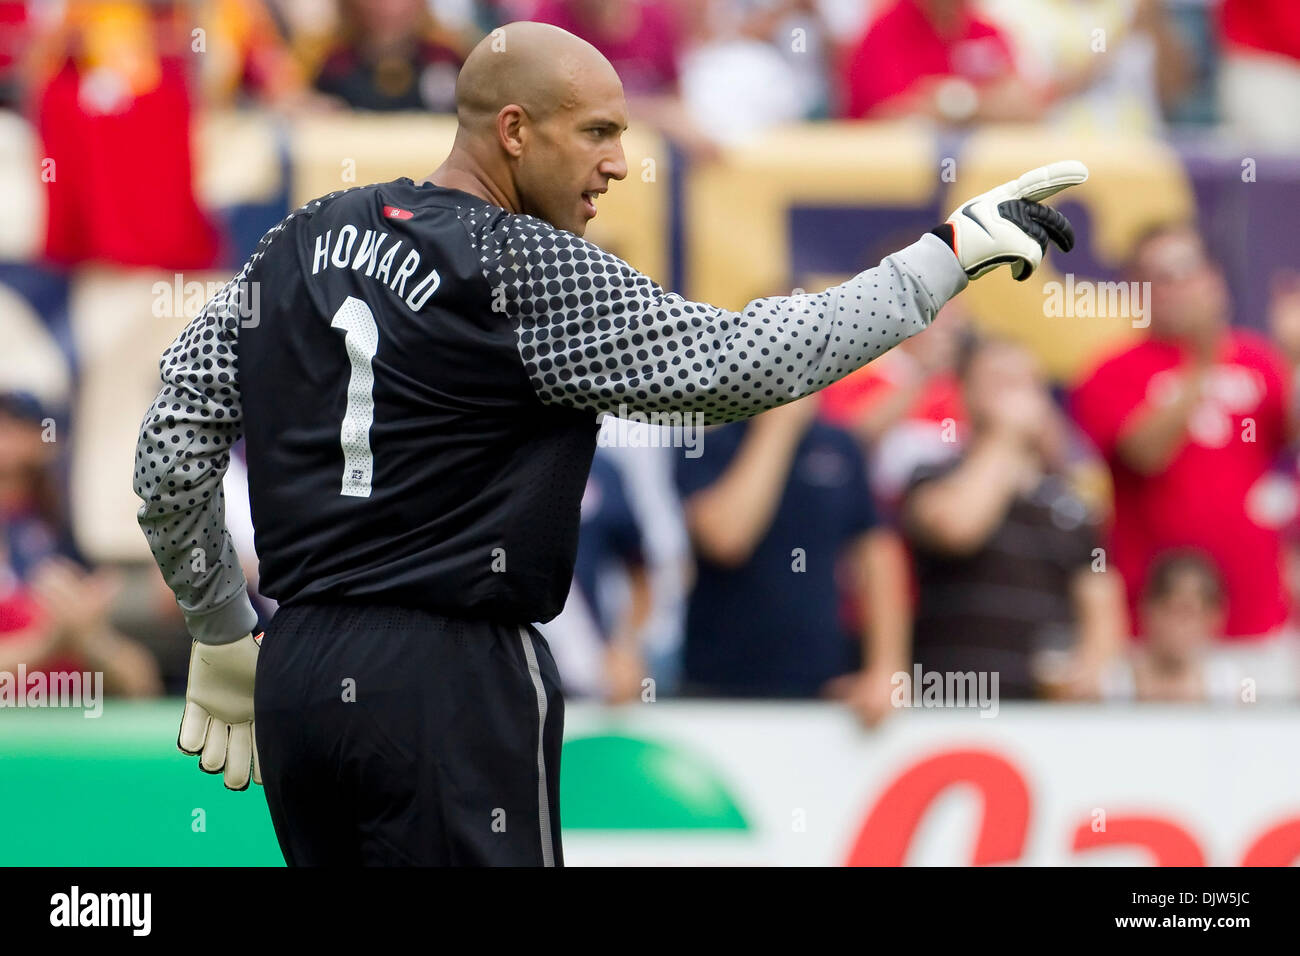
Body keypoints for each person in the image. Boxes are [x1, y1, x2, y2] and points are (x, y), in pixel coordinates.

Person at [132, 20, 1085, 866]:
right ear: (514, 131)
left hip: (299, 679)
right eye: (596, 131)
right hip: (449, 676)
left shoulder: (297, 240)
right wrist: (940, 261)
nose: (622, 163)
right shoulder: (521, 262)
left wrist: (220, 626)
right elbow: (737, 365)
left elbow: (171, 443)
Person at [1070, 223, 1295, 688]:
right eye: (1155, 277)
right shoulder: (1112, 372)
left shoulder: (1259, 361)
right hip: (1154, 634)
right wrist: (1203, 361)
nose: (1173, 288)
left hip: (1256, 623)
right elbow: (1144, 453)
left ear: (1214, 278)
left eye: (1184, 271)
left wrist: (1294, 354)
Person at [900, 336, 1125, 701]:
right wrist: (1005, 437)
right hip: (949, 707)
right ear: (965, 394)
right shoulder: (932, 475)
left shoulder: (1072, 505)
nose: (1015, 397)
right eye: (999, 382)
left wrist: (1089, 671)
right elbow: (956, 529)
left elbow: (1102, 608)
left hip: (1040, 716)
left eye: (1024, 383)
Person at [675, 394, 911, 703]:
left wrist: (887, 668)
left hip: (823, 685)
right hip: (716, 683)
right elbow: (726, 540)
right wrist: (777, 429)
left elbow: (877, 556)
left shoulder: (840, 446)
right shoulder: (707, 441)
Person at [1099, 550, 1243, 703]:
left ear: (1213, 617)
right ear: (1147, 609)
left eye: (1189, 612)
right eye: (1169, 610)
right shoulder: (1113, 684)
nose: (1178, 625)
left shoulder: (1228, 685)